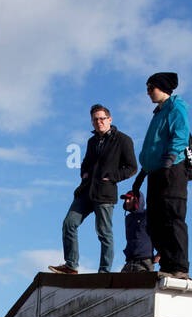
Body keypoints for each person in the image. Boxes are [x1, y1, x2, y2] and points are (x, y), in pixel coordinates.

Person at [49, 104, 136, 274]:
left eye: (102, 119)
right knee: (69, 223)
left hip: (104, 193)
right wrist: (85, 174)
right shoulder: (92, 141)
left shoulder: (123, 140)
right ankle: (71, 265)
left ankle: (104, 271)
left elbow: (132, 167)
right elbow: (86, 163)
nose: (99, 122)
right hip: (86, 191)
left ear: (109, 119)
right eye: (95, 120)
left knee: (104, 233)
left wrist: (112, 177)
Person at [133, 73, 190, 279]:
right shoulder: (157, 113)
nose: (148, 92)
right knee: (155, 221)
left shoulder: (176, 107)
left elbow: (181, 133)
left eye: (151, 88)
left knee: (172, 217)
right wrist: (141, 175)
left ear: (162, 88)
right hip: (154, 172)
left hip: (172, 170)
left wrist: (169, 159)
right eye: (147, 88)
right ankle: (167, 263)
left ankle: (180, 267)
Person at [120, 190, 154, 272]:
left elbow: (164, 234)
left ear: (136, 199)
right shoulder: (128, 218)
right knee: (117, 283)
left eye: (129, 199)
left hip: (144, 261)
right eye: (125, 199)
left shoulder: (148, 215)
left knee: (142, 284)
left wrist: (159, 255)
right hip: (129, 261)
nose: (126, 201)